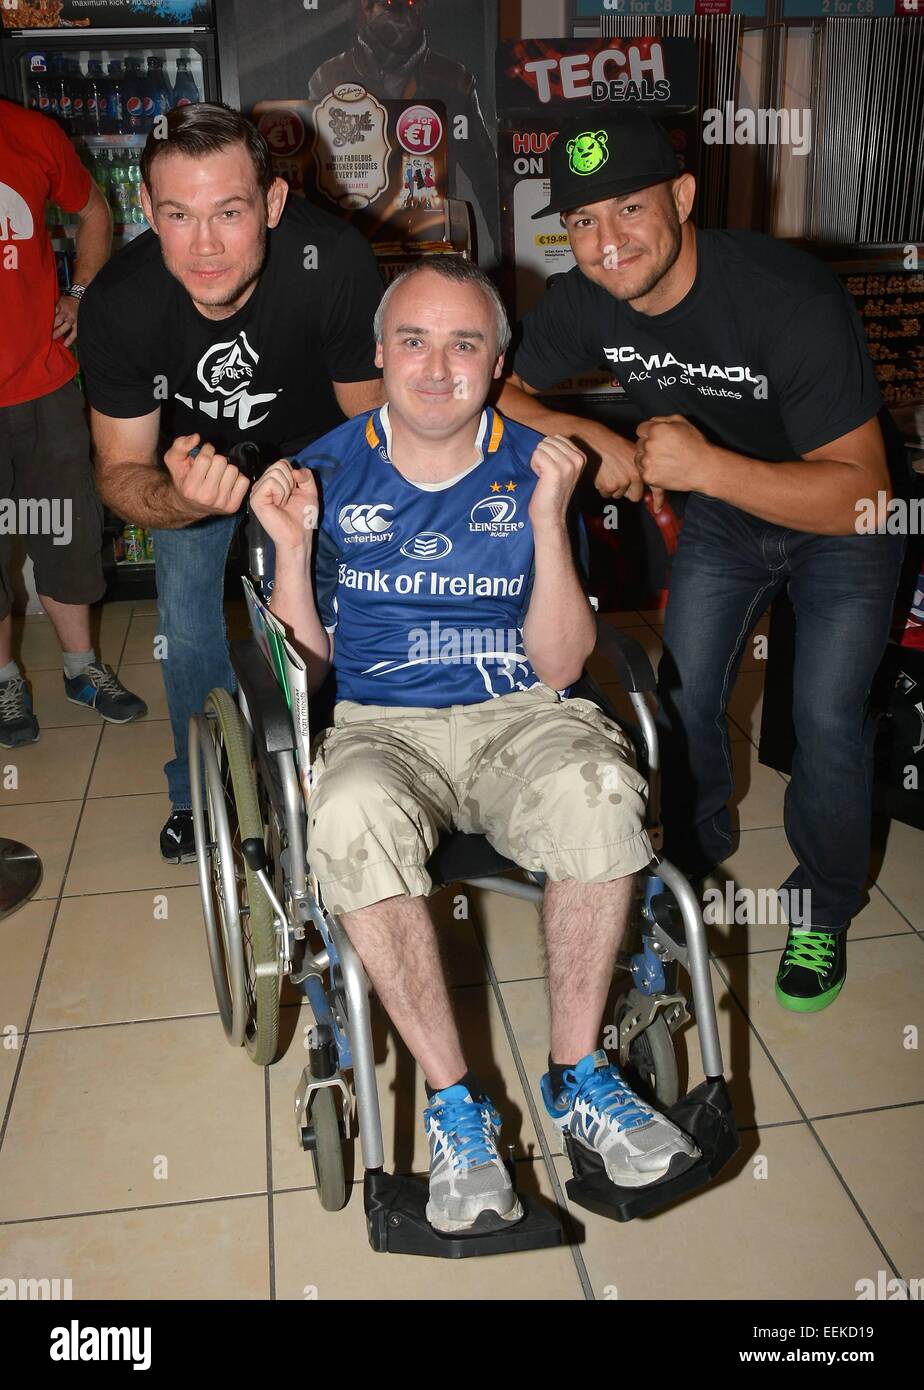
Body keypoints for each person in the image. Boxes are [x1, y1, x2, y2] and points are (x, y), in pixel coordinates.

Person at [248, 257, 700, 1235]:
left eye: (465, 343)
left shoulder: (541, 462)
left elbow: (568, 658)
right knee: (349, 812)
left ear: (499, 362)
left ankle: (580, 1075)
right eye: (414, 339)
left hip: (522, 712)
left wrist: (547, 524)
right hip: (380, 721)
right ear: (379, 354)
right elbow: (305, 674)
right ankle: (458, 1108)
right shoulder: (321, 470)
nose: (438, 365)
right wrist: (289, 549)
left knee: (599, 785)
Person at [496, 110, 905, 1013]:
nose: (607, 244)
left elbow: (862, 489)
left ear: (681, 198)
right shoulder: (588, 297)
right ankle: (693, 855)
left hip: (841, 522)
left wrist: (704, 465)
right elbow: (499, 386)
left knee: (826, 715)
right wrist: (590, 436)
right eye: (584, 223)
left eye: (630, 210)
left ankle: (823, 906)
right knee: (680, 698)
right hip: (726, 519)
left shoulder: (785, 294)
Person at [77, 103, 384, 863]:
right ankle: (201, 791)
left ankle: (340, 766)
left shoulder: (334, 260)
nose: (204, 246)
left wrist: (325, 524)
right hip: (193, 463)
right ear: (144, 208)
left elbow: (377, 437)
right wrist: (182, 500)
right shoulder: (119, 302)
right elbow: (118, 471)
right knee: (185, 623)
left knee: (346, 591)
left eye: (231, 212)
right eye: (177, 215)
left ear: (273, 204)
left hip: (320, 446)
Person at [0, 97, 147, 747]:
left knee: (66, 531)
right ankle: (5, 682)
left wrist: (81, 293)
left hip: (42, 385)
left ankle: (81, 668)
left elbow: (93, 211)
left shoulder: (28, 134)